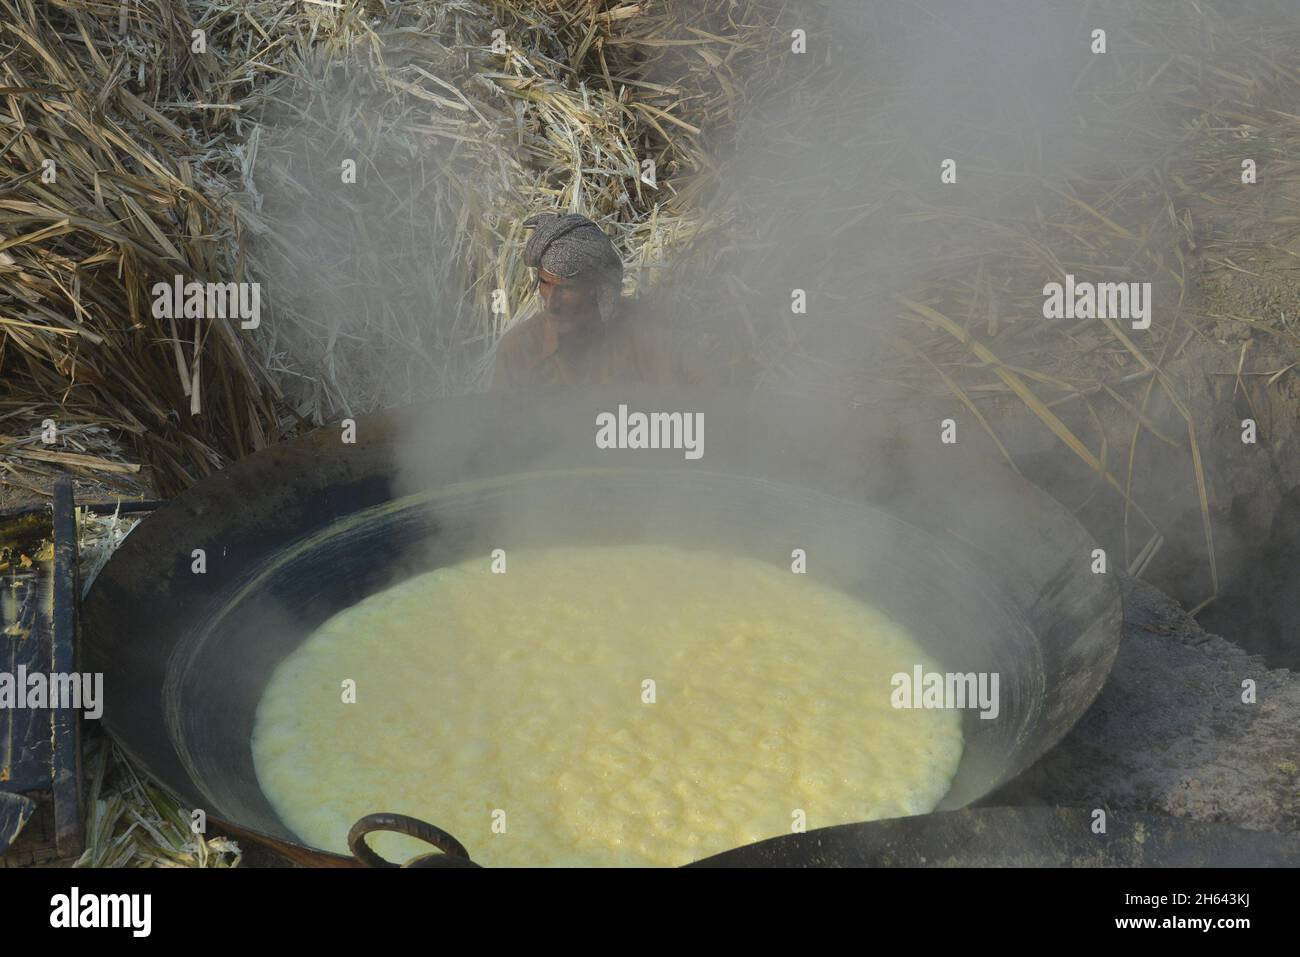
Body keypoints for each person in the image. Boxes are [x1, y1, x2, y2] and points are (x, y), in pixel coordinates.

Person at [492, 212, 674, 391]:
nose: (550, 304)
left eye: (565, 289)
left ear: (598, 290)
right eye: (545, 283)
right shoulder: (519, 350)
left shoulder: (643, 331)